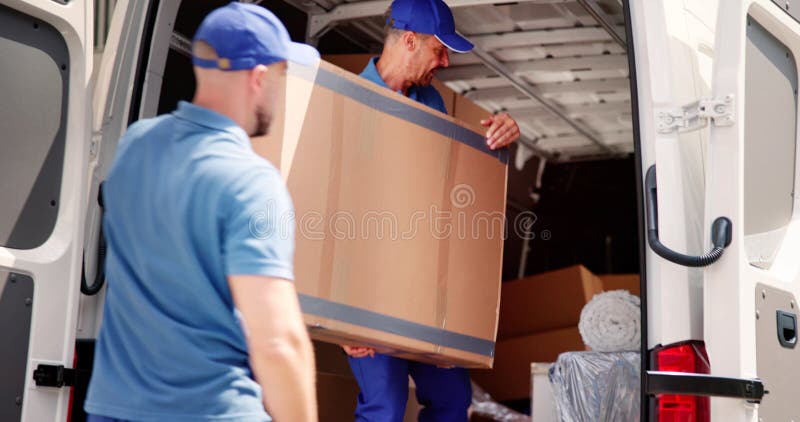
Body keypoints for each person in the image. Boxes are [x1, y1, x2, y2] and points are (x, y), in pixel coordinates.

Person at [84, 3, 319, 421]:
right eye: (282, 78)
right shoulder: (251, 183)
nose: (281, 94)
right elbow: (278, 343)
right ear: (258, 78)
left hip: (114, 408)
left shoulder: (135, 146)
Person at [342, 0, 520, 420]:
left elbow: (455, 191)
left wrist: (504, 134)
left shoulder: (432, 102)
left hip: (422, 289)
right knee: (384, 405)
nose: (445, 62)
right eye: (439, 50)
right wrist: (338, 316)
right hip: (367, 291)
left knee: (452, 399)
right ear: (408, 40)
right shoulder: (348, 102)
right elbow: (327, 210)